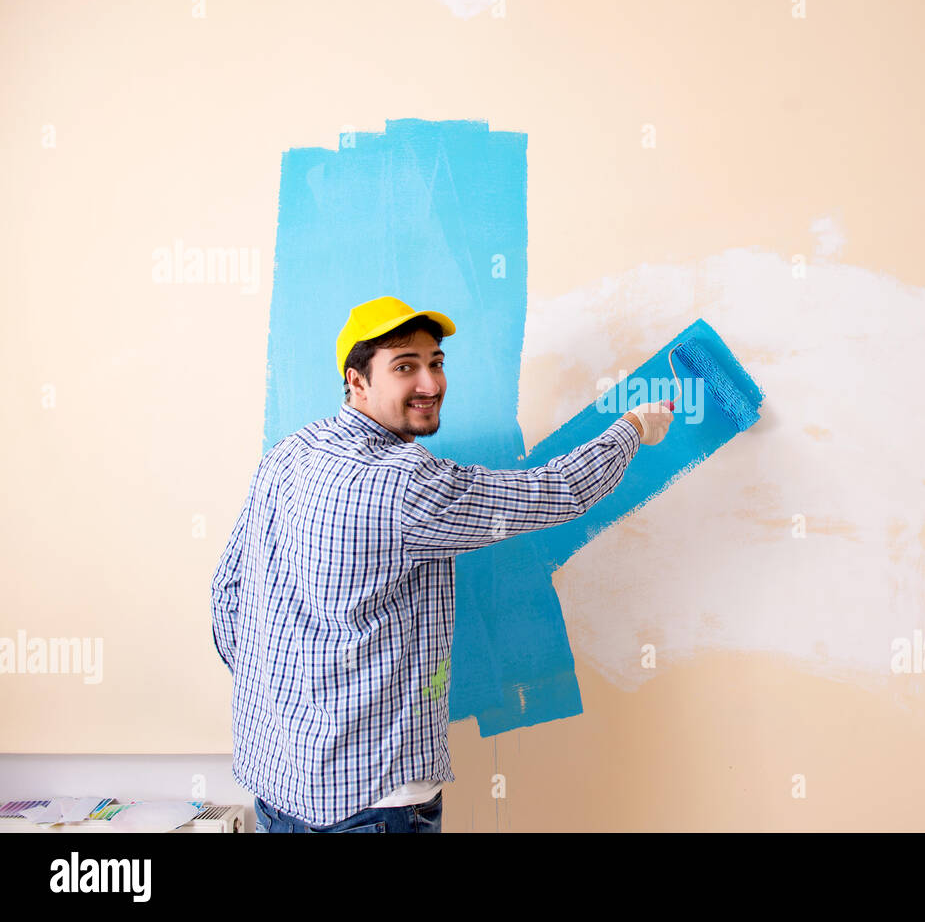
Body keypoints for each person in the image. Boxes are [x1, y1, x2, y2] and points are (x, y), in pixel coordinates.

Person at [211, 295, 673, 833]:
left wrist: (286, 702)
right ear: (356, 380)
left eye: (436, 362)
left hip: (277, 787)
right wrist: (635, 427)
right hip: (372, 803)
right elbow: (558, 492)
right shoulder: (403, 484)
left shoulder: (289, 454)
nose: (430, 384)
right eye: (404, 366)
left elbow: (228, 594)